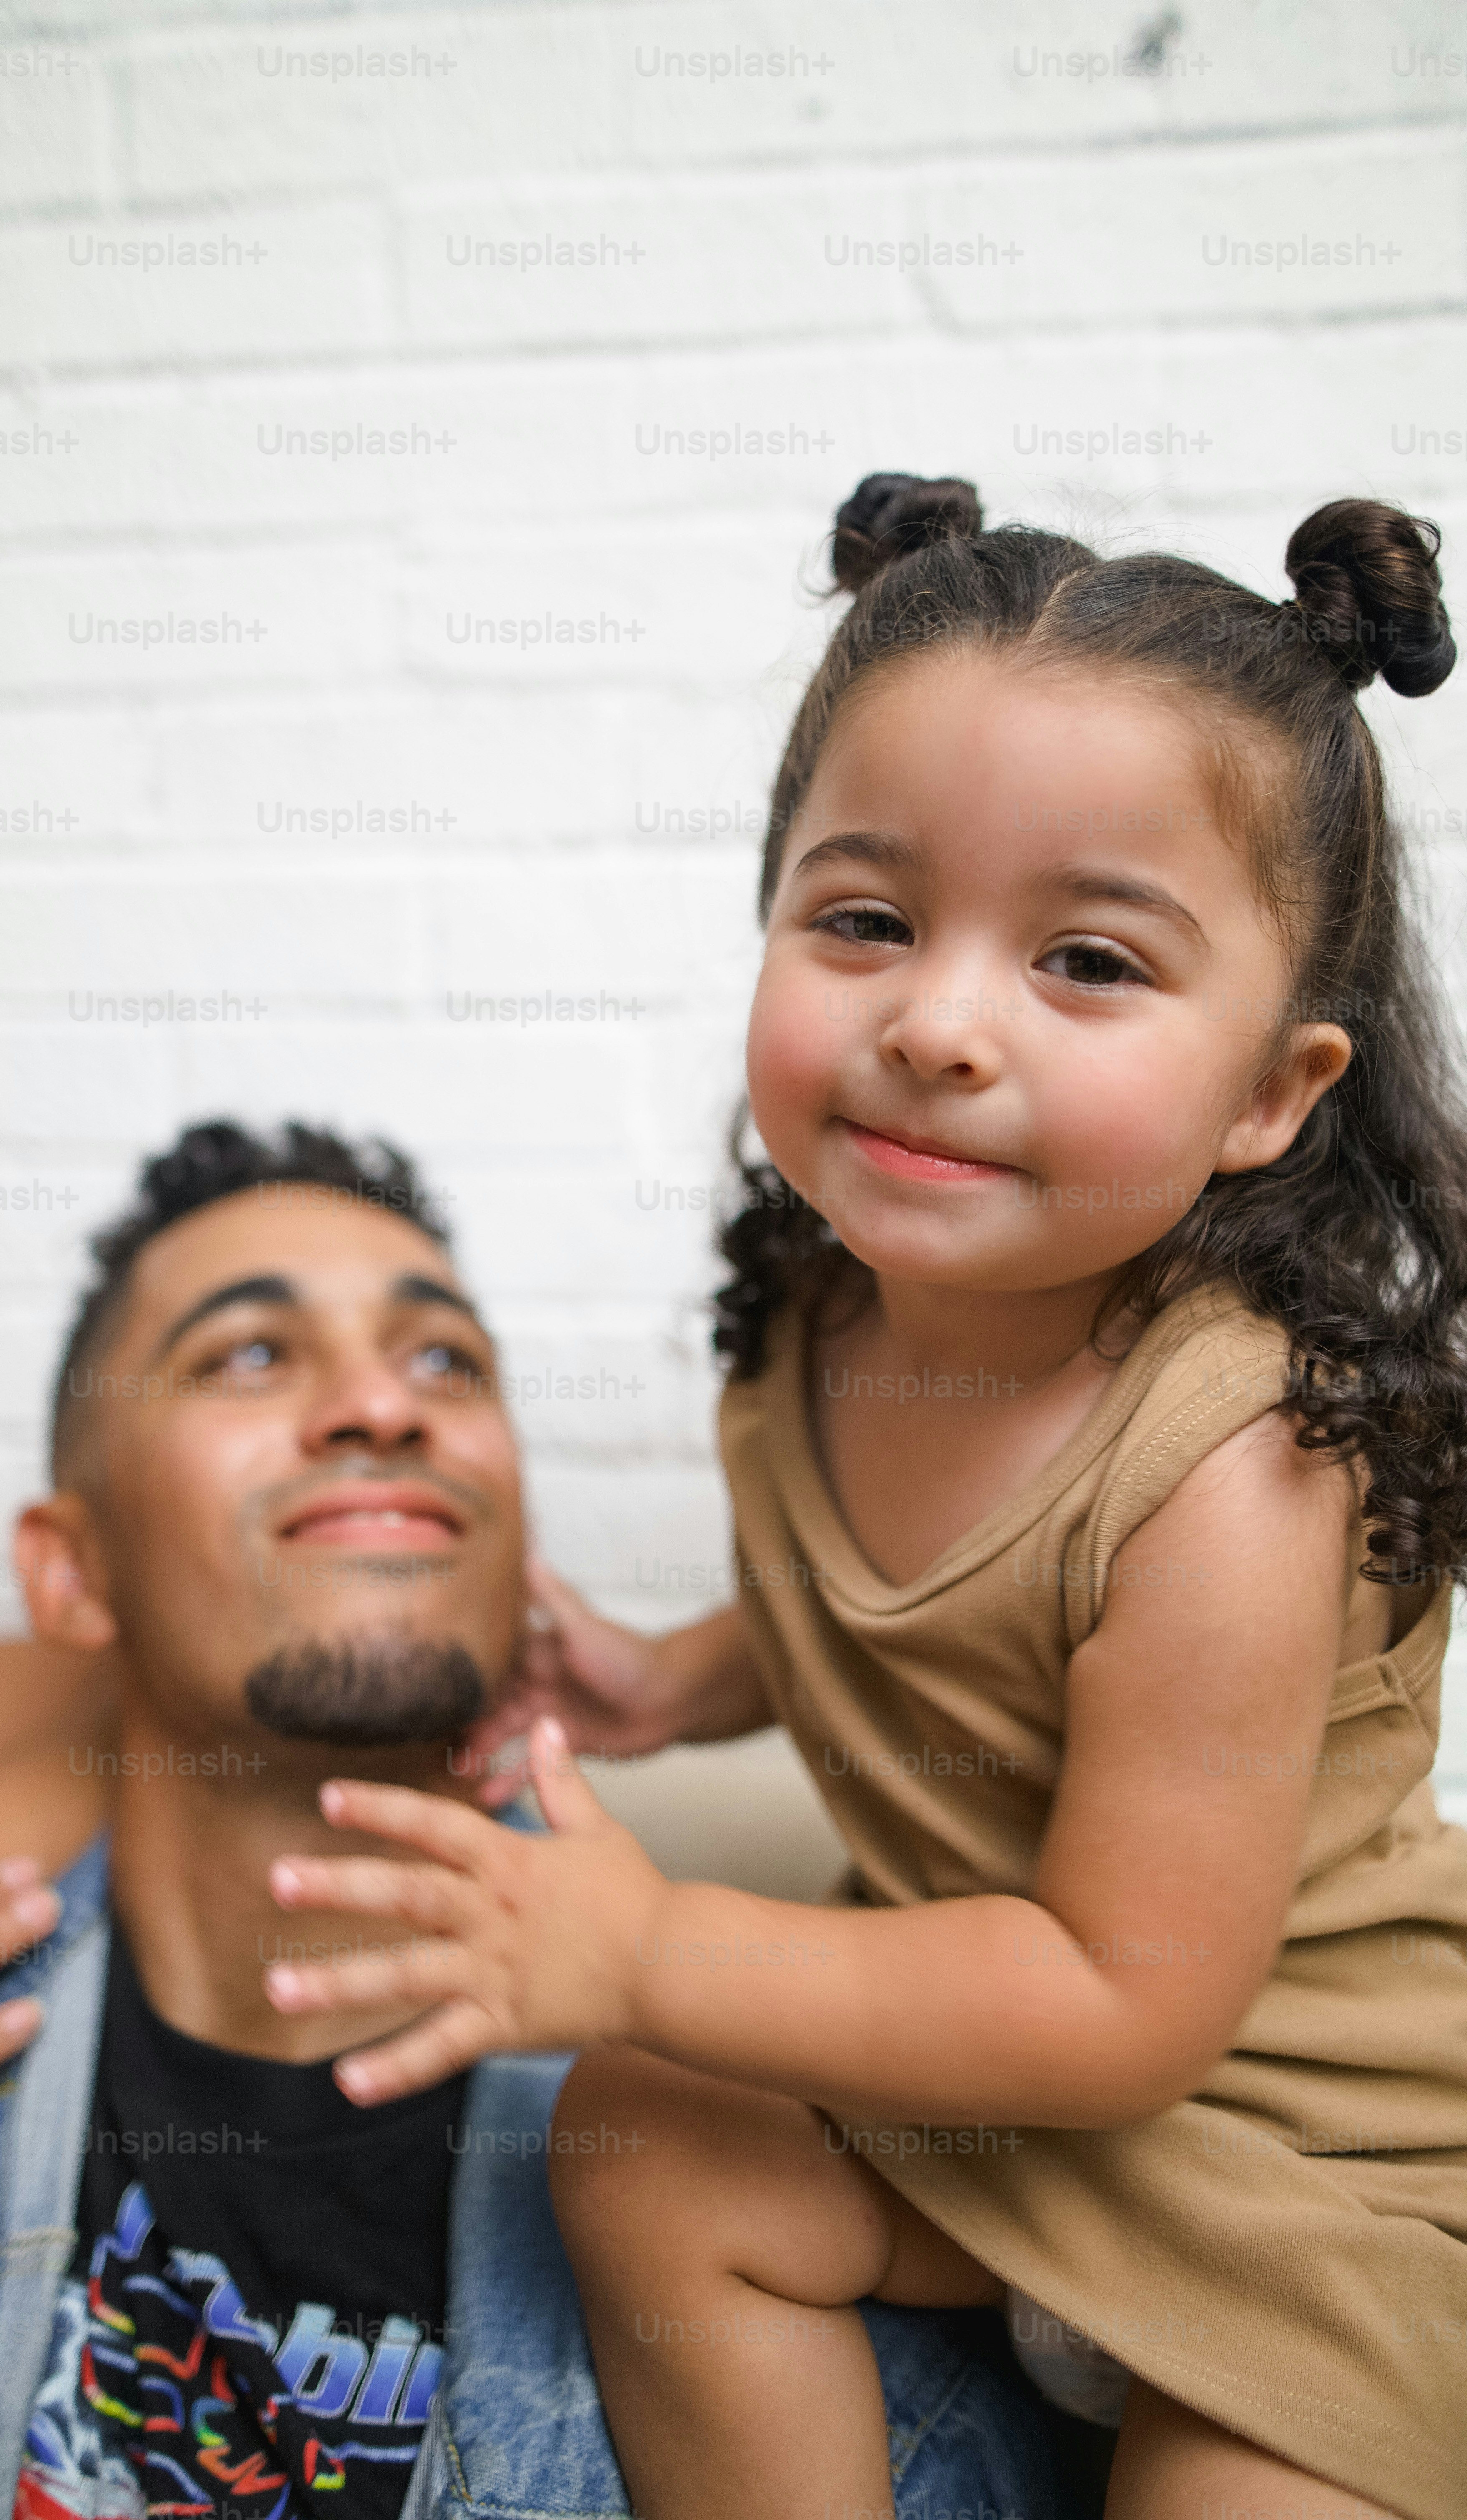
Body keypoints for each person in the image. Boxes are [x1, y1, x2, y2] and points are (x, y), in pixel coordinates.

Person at [253, 484, 1467, 2520]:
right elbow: (930, 1622)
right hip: (979, 2109)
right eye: (867, 920)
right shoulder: (813, 1314)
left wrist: (649, 1950)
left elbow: (1113, 2000)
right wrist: (676, 1682)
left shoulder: (1235, 1465)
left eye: (1085, 959)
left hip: (1300, 2177)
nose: (935, 1021)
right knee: (642, 2139)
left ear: (1272, 1090)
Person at [0, 1119, 1066, 2519]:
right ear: (72, 1569)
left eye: (444, 1361)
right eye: (252, 1355)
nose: (383, 1409)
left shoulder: (789, 2202)